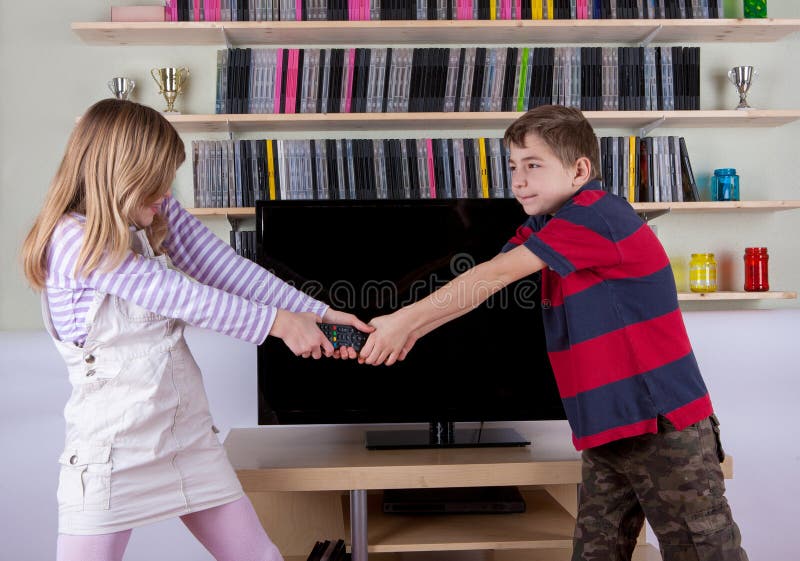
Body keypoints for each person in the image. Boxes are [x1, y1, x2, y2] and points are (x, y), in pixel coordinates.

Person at [358, 105, 748, 561]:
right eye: (512, 167)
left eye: (533, 165)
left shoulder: (598, 215)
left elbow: (493, 277)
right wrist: (406, 329)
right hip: (608, 428)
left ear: (580, 169)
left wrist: (404, 323)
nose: (518, 180)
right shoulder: (547, 226)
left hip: (662, 425)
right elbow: (479, 282)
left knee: (703, 553)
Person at [21, 98, 371, 561]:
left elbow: (224, 269)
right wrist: (280, 326)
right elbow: (180, 295)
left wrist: (318, 313)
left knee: (260, 557)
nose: (166, 193)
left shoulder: (153, 212)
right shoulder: (73, 240)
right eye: (155, 182)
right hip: (113, 455)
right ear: (119, 176)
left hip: (186, 440)